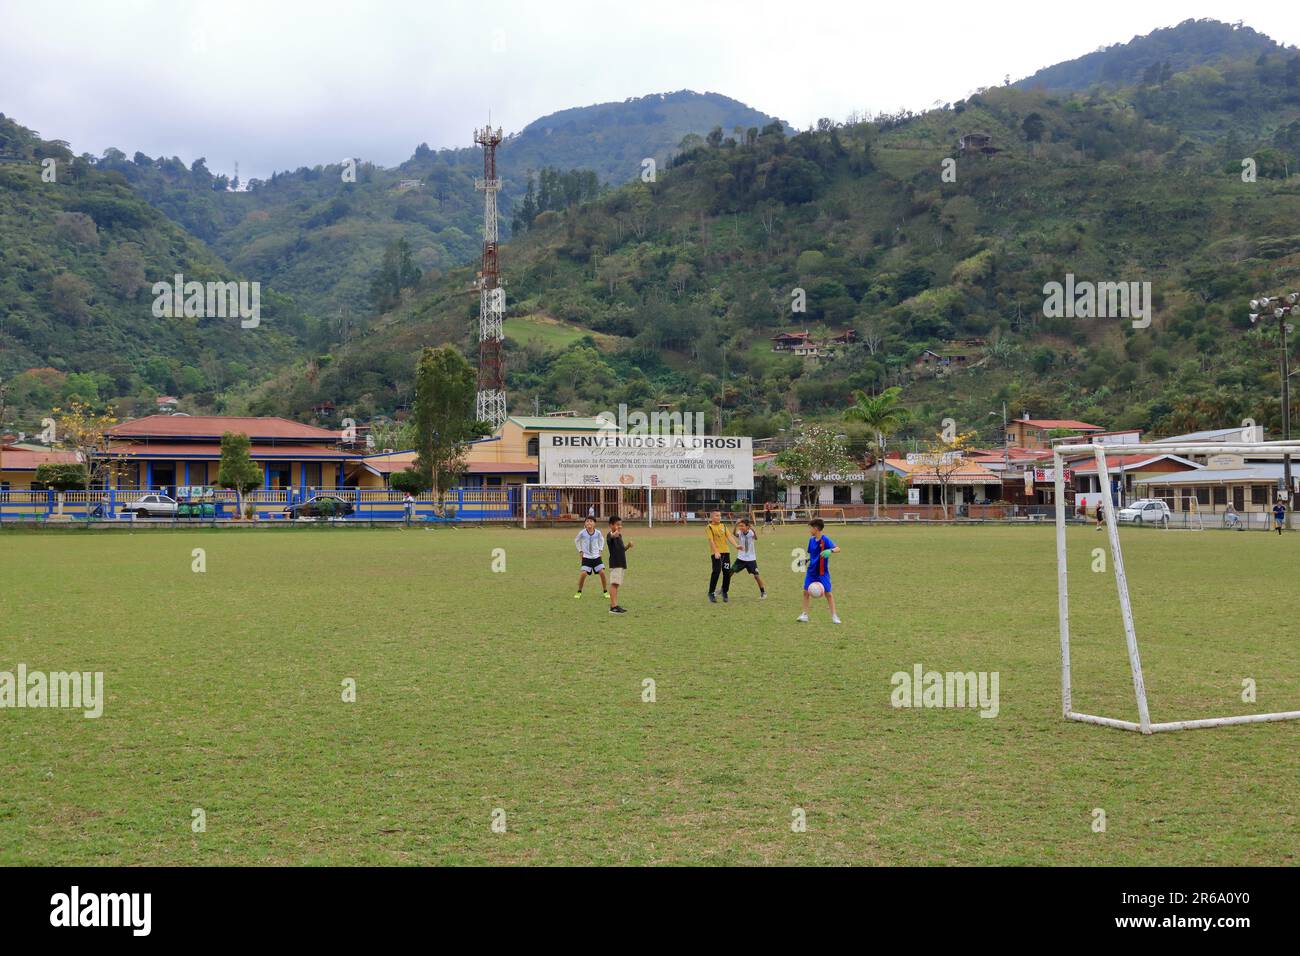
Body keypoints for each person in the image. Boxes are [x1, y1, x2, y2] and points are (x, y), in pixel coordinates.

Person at [798, 518, 841, 624]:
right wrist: (806, 560)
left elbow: (838, 548)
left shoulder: (825, 539)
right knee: (805, 592)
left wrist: (830, 550)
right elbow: (812, 554)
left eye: (811, 528)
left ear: (816, 528)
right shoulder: (811, 540)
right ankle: (804, 614)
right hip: (811, 571)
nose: (809, 530)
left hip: (822, 571)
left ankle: (834, 616)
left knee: (828, 593)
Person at [574, 516, 608, 599]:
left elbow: (602, 540)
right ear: (585, 523)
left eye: (591, 521)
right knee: (583, 574)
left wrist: (600, 549)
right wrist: (580, 550)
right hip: (586, 557)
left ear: (594, 524)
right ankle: (579, 591)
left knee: (602, 573)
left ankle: (605, 591)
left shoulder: (598, 533)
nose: (589, 523)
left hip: (596, 557)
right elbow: (576, 540)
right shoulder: (582, 533)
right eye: (587, 521)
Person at [732, 517, 767, 599]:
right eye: (740, 526)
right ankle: (723, 589)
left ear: (747, 527)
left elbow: (756, 538)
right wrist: (736, 525)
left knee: (756, 576)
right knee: (730, 572)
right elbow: (734, 534)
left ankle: (763, 592)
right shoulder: (740, 532)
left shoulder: (751, 533)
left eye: (742, 526)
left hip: (751, 559)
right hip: (740, 558)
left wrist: (752, 529)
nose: (741, 527)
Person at [705, 510, 735, 603]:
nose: (719, 517)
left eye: (720, 515)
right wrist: (716, 552)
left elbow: (729, 537)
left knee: (727, 572)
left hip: (726, 553)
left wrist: (736, 546)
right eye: (717, 516)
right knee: (716, 572)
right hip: (716, 554)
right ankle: (711, 593)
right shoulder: (709, 527)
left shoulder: (723, 526)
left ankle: (724, 592)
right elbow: (711, 541)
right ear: (712, 517)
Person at [606, 515, 632, 614]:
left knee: (616, 585)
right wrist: (614, 534)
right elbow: (611, 537)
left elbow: (621, 550)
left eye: (620, 525)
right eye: (617, 524)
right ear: (611, 525)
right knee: (614, 584)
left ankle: (615, 605)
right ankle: (613, 607)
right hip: (615, 563)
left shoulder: (619, 536)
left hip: (621, 563)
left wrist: (628, 546)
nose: (619, 526)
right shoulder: (610, 535)